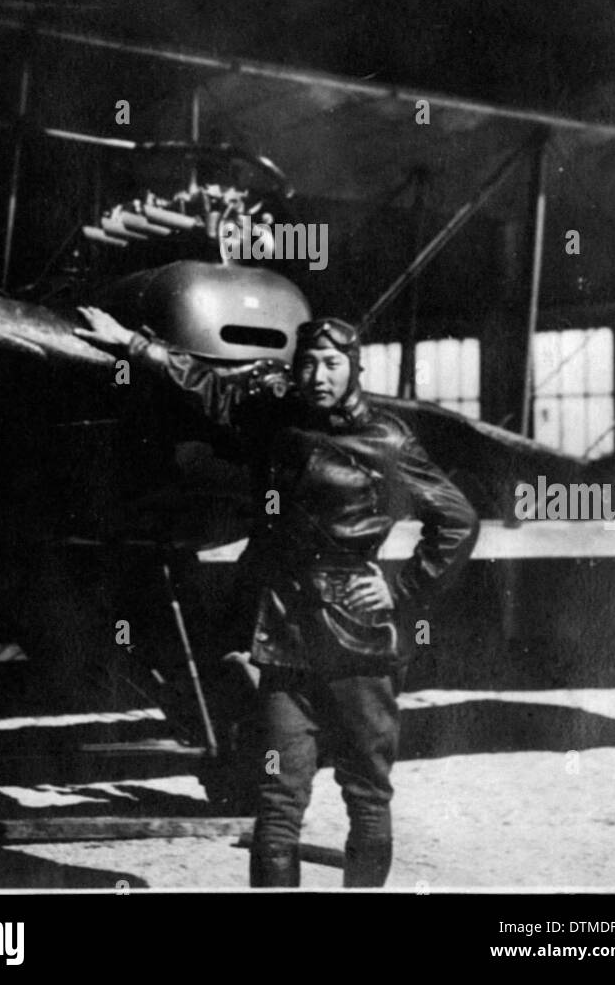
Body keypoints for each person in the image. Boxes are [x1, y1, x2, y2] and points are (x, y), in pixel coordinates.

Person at [75, 308, 479, 888]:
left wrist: (400, 588)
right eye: (309, 362)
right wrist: (134, 346)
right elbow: (208, 388)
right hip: (285, 638)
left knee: (366, 794)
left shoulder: (388, 439)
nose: (318, 374)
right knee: (278, 799)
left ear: (354, 369)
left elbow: (458, 518)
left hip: (359, 642)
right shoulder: (275, 423)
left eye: (333, 363)